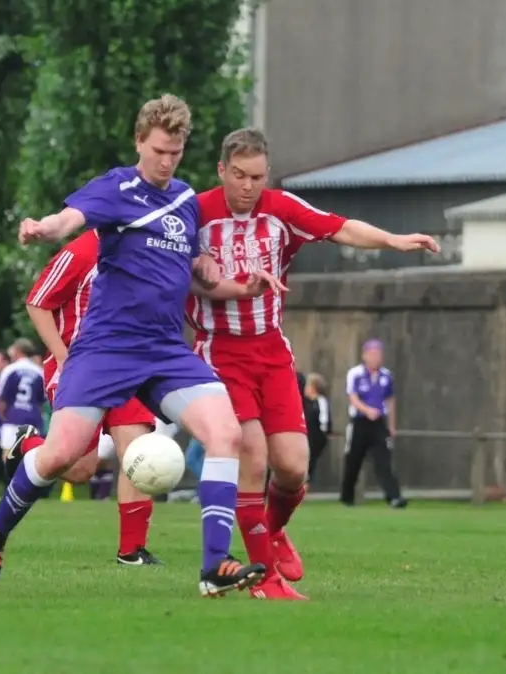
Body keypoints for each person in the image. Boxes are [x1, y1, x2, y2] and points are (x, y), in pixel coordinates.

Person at [0, 94, 281, 596]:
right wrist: (40, 228)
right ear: (140, 141)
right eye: (159, 150)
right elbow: (68, 221)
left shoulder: (184, 200)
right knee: (63, 457)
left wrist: (232, 283)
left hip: (163, 348)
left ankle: (213, 566)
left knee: (227, 433)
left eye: (175, 153)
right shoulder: (117, 187)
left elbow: (196, 272)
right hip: (106, 348)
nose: (166, 161)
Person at [188, 127, 438, 599]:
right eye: (238, 175)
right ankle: (265, 577)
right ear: (222, 170)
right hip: (219, 350)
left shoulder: (282, 209)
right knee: (252, 456)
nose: (247, 186)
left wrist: (394, 240)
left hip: (271, 350)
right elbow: (191, 274)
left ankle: (274, 531)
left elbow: (340, 226)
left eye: (257, 177)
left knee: (293, 467)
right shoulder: (196, 213)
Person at [18, 226, 166, 564]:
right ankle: (28, 445)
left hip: (127, 369)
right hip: (79, 370)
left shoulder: (145, 250)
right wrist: (63, 357)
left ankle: (131, 551)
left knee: (138, 453)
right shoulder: (81, 251)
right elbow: (37, 302)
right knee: (80, 470)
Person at [341, 339, 406, 508]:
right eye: (372, 354)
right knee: (353, 460)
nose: (376, 358)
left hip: (379, 423)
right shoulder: (355, 374)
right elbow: (352, 397)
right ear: (365, 355)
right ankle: (347, 496)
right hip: (360, 422)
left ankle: (394, 497)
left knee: (383, 460)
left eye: (378, 354)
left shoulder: (386, 375)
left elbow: (390, 400)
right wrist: (366, 410)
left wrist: (391, 425)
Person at [303, 373, 332, 480]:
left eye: (307, 386)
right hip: (308, 436)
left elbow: (324, 420)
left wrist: (323, 433)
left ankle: (305, 485)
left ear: (314, 388)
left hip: (316, 437)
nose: (305, 389)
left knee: (309, 463)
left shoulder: (321, 401)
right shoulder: (308, 403)